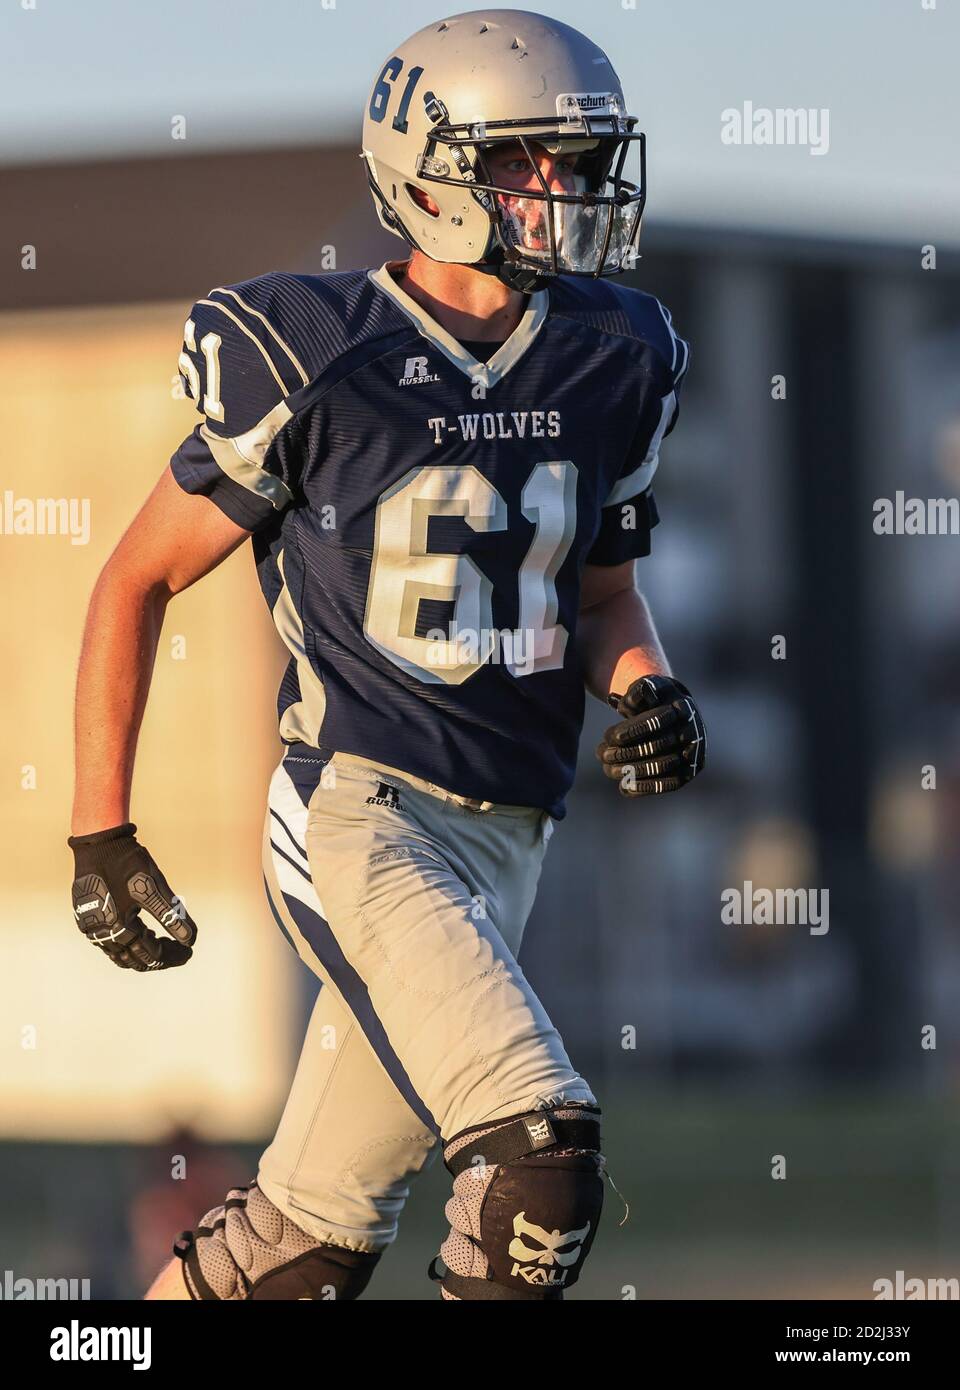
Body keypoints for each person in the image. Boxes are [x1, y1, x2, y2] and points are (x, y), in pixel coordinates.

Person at [69, 8, 705, 1301]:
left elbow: (601, 599)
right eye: (539, 159)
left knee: (299, 1245)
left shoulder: (611, 353)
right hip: (361, 816)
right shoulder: (318, 350)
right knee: (541, 1157)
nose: (572, 190)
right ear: (428, 174)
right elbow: (134, 577)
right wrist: (101, 830)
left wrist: (646, 686)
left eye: (586, 162)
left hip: (510, 837)